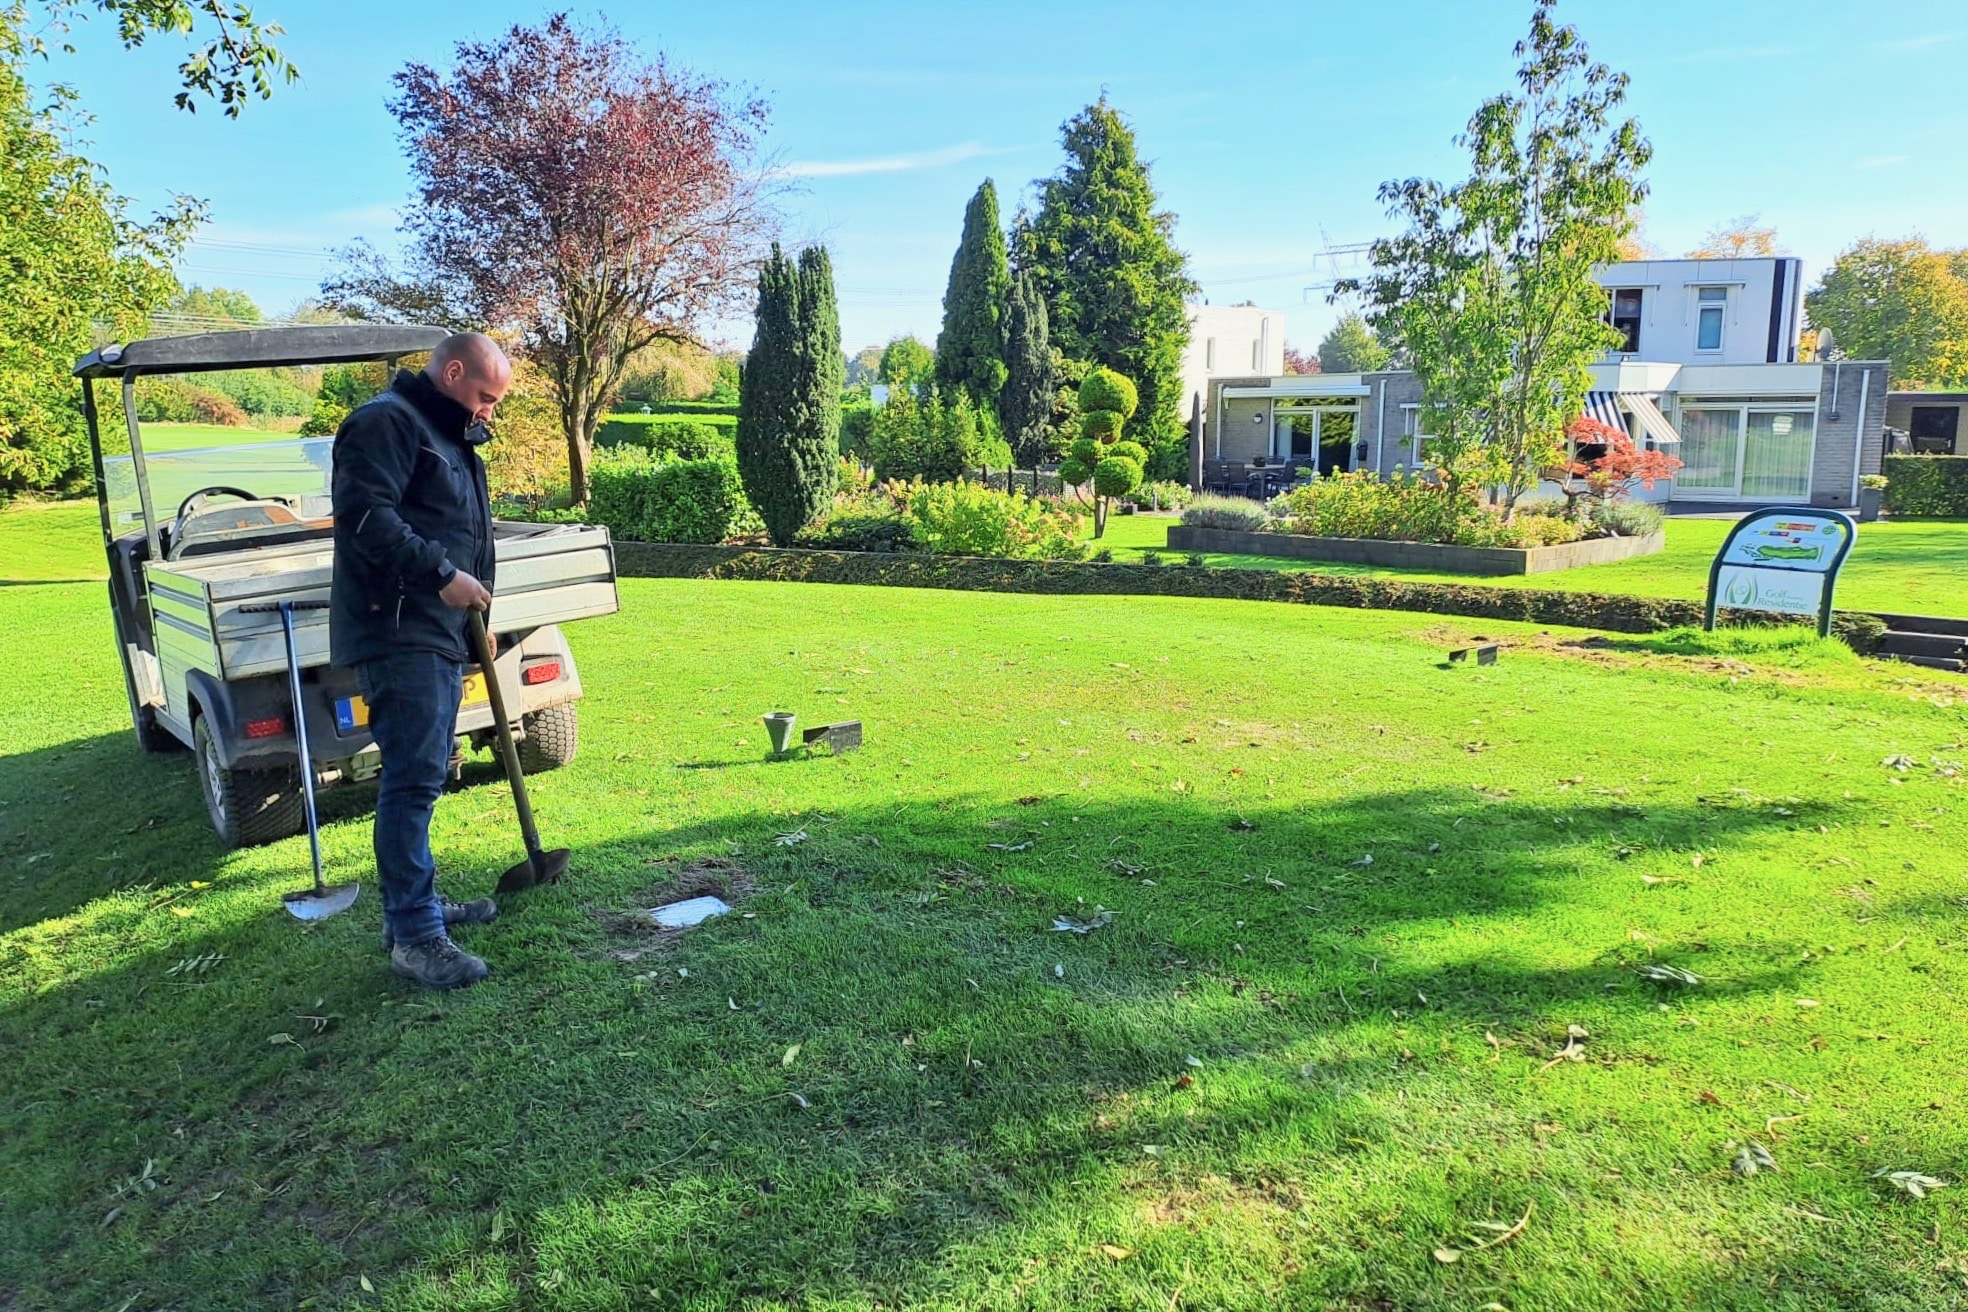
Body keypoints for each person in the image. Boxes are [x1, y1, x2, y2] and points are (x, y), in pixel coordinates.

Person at [330, 333, 511, 989]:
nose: (488, 410)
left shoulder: (449, 436)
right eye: (485, 396)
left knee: (426, 773)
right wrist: (441, 577)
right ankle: (415, 936)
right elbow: (363, 518)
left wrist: (475, 623)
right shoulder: (386, 423)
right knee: (412, 780)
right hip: (396, 628)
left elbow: (464, 535)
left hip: (436, 628)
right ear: (453, 371)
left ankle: (419, 907)